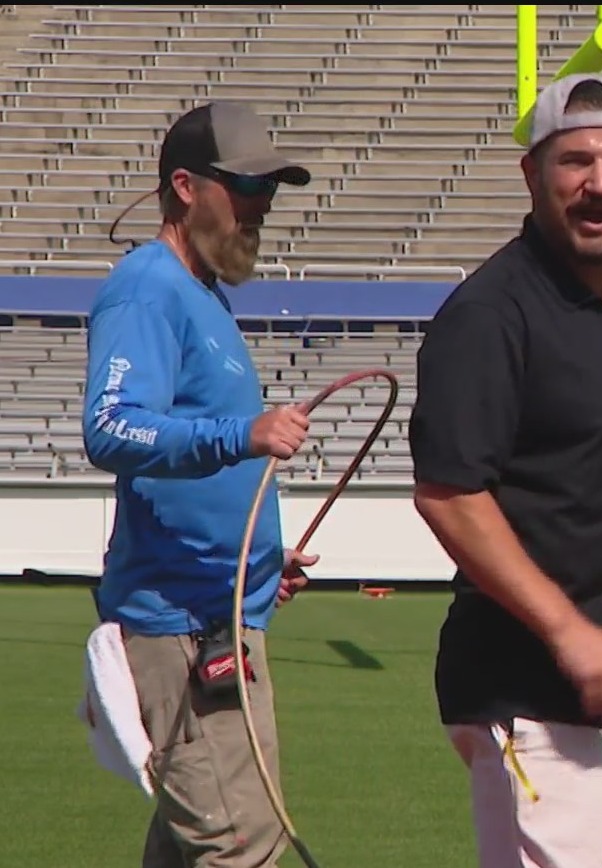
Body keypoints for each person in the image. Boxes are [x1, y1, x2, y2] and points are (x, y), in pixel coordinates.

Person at [409, 73, 602, 868]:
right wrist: (569, 633)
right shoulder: (490, 315)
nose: (598, 184)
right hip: (531, 698)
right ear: (533, 175)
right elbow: (449, 494)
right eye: (575, 161)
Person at [81, 100, 321, 866]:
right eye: (245, 185)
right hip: (181, 635)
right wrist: (239, 434)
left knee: (199, 851)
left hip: (218, 618)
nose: (261, 205)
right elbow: (111, 427)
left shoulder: (204, 295)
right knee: (237, 846)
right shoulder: (146, 288)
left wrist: (255, 564)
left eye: (270, 188)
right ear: (185, 186)